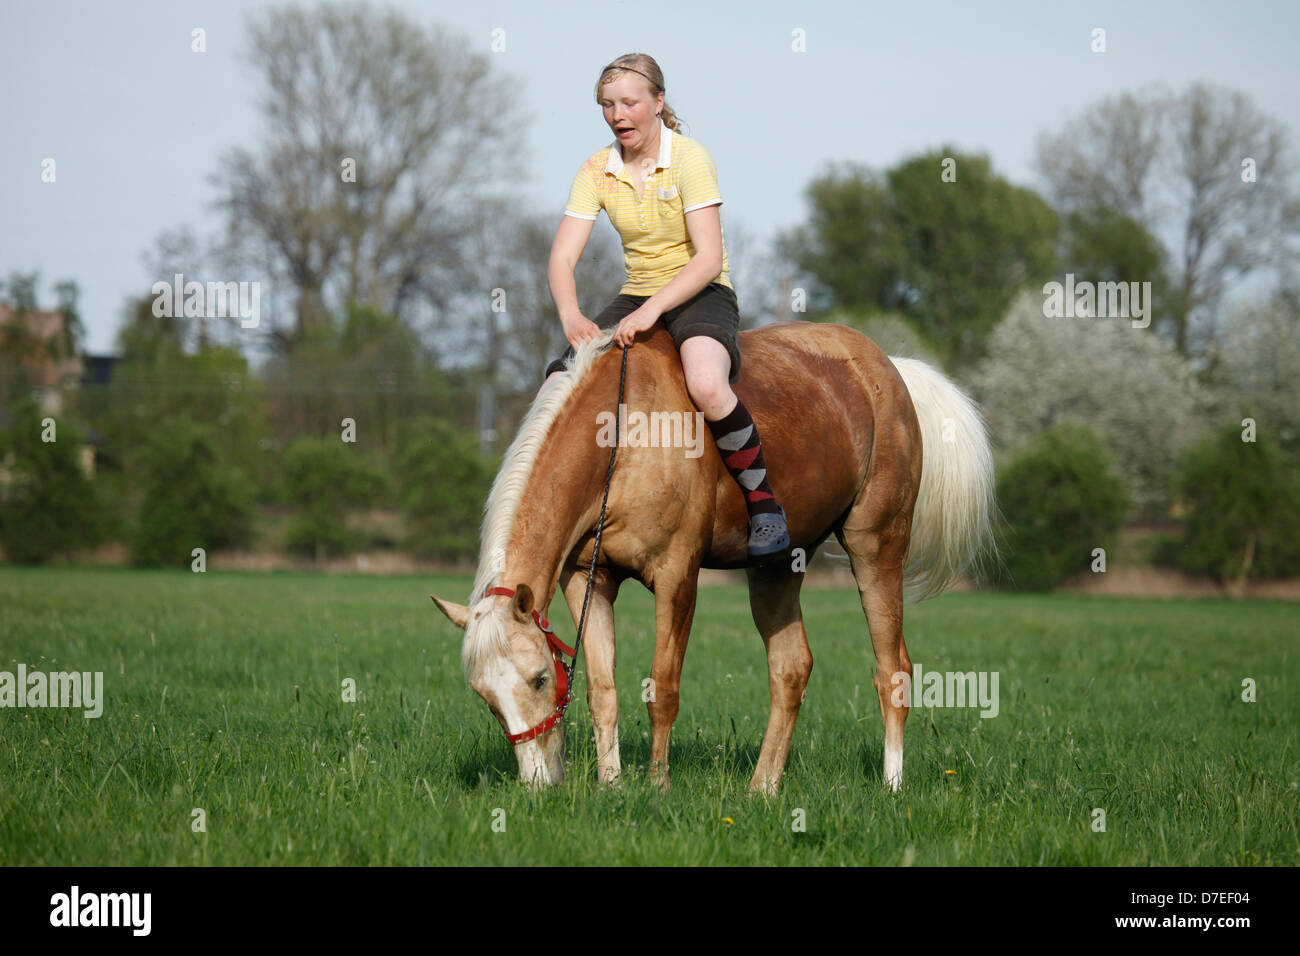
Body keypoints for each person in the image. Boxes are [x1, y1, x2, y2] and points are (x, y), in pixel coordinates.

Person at [541, 53, 789, 560]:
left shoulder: (690, 158)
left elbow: (709, 257)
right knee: (554, 384)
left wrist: (653, 312)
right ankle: (552, 512)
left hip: (701, 290)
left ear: (657, 102)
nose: (617, 114)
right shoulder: (595, 170)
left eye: (629, 102)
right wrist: (571, 316)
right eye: (607, 105)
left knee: (704, 382)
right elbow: (562, 257)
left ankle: (765, 508)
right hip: (636, 294)